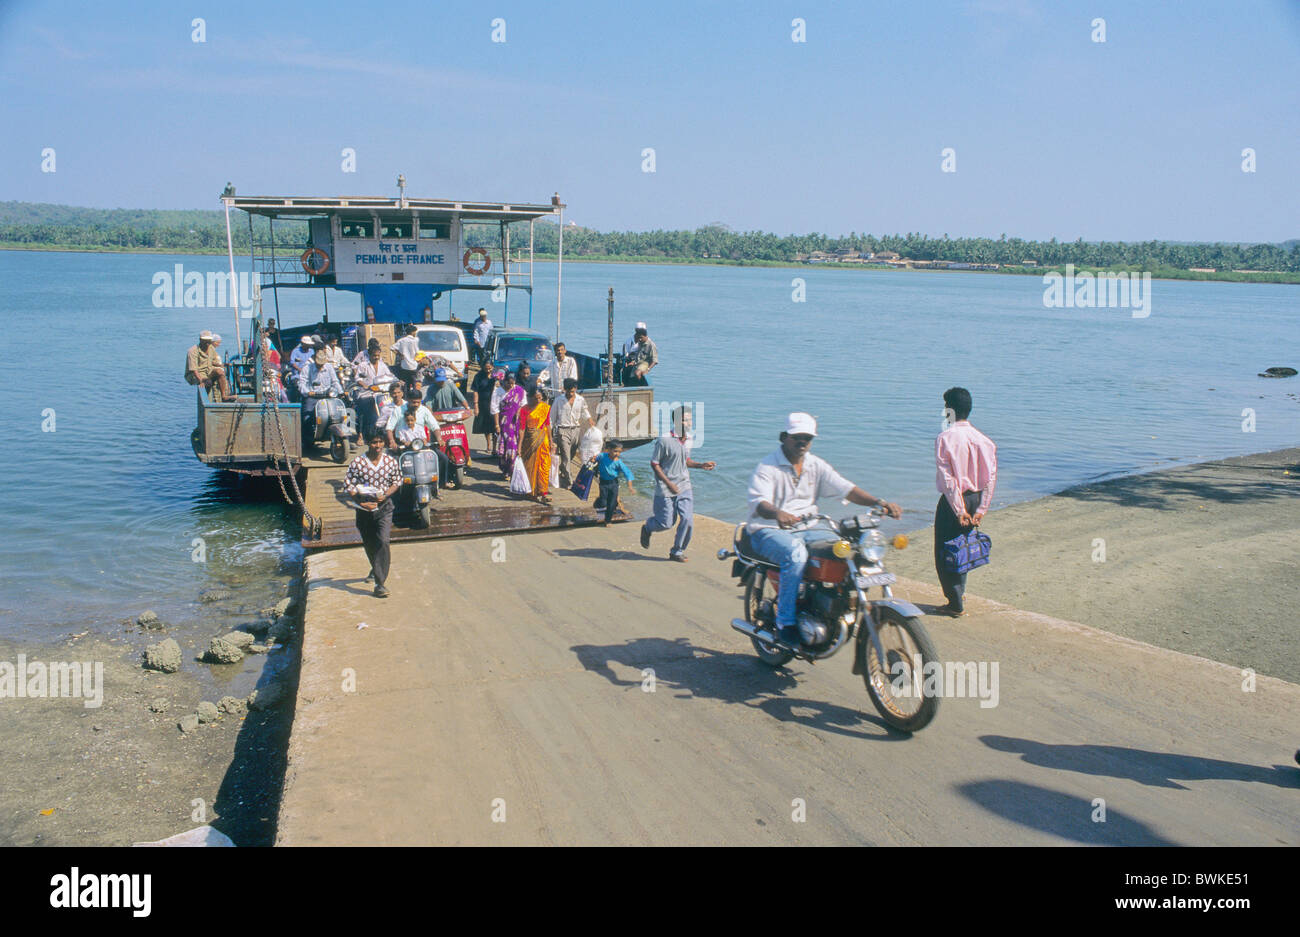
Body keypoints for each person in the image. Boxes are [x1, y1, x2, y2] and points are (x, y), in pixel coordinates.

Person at [746, 412, 901, 646]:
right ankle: (785, 622)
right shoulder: (767, 467)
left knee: (846, 549)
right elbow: (760, 503)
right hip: (768, 528)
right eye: (797, 437)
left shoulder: (815, 465)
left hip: (810, 526)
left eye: (807, 438)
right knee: (795, 555)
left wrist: (878, 502)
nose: (802, 442)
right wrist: (778, 513)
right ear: (783, 437)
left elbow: (846, 489)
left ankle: (831, 607)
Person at [933, 386, 998, 618]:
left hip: (954, 501)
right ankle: (959, 595)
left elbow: (949, 480)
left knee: (945, 550)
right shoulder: (985, 441)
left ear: (949, 411)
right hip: (976, 497)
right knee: (963, 546)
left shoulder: (945, 438)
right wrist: (982, 508)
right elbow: (990, 478)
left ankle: (954, 602)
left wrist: (958, 509)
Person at [640, 406, 715, 562]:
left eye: (690, 419)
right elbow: (654, 464)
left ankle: (677, 551)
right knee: (666, 523)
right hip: (665, 488)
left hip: (684, 485)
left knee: (687, 519)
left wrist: (701, 465)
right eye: (685, 419)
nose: (688, 422)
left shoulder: (689, 439)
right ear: (676, 421)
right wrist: (668, 484)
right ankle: (648, 527)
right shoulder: (664, 440)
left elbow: (685, 461)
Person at [344, 432, 402, 598]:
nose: (378, 446)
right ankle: (376, 567)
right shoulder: (358, 463)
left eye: (380, 442)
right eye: (374, 442)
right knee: (370, 543)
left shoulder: (390, 461)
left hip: (384, 507)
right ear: (368, 443)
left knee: (383, 541)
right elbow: (349, 484)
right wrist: (360, 502)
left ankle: (380, 583)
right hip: (364, 509)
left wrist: (386, 494)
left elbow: (396, 481)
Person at [550, 378, 594, 489]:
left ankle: (563, 468)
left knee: (572, 453)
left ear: (576, 389)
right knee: (565, 455)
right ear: (565, 390)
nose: (570, 394)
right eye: (568, 391)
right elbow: (552, 417)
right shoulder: (558, 400)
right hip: (562, 430)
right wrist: (550, 433)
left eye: (573, 391)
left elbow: (585, 411)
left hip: (576, 429)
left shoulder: (580, 399)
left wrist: (590, 420)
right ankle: (570, 481)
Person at [351, 339, 396, 437]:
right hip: (366, 393)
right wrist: (365, 385)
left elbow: (390, 375)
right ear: (369, 355)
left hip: (380, 392)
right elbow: (357, 378)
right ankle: (361, 434)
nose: (376, 357)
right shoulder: (363, 365)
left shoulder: (382, 364)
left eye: (378, 355)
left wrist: (397, 380)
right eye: (374, 355)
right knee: (365, 407)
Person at [517, 385, 553, 503]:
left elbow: (547, 425)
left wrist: (551, 441)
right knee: (530, 467)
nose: (538, 400)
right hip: (529, 442)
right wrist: (519, 446)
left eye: (540, 398)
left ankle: (543, 492)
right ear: (530, 398)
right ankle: (530, 491)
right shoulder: (524, 410)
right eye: (536, 398)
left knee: (544, 466)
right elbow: (522, 429)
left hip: (543, 441)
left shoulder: (545, 408)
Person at [594, 439, 636, 525]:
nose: (617, 454)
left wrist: (630, 487)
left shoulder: (619, 462)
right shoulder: (602, 456)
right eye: (615, 451)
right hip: (603, 483)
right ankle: (598, 501)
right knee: (603, 502)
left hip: (613, 483)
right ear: (609, 449)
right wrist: (592, 460)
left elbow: (628, 473)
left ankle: (608, 520)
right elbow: (595, 459)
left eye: (619, 452)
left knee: (611, 504)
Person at [494, 370, 527, 476]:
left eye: (512, 383)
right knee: (507, 446)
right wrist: (497, 425)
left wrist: (519, 411)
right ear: (504, 381)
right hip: (504, 424)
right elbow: (494, 409)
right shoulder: (498, 392)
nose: (510, 386)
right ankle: (506, 468)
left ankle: (512, 470)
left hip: (516, 423)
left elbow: (523, 405)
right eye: (508, 383)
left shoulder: (520, 391)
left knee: (514, 446)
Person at [184, 330, 231, 401]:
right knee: (207, 382)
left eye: (209, 341)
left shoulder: (211, 348)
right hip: (195, 374)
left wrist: (221, 365)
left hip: (208, 370)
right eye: (205, 341)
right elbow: (194, 369)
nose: (207, 343)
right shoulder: (193, 351)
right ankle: (208, 402)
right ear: (200, 340)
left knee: (220, 372)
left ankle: (224, 396)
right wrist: (201, 381)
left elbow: (213, 361)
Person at [472, 361, 499, 454]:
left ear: (492, 367)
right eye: (486, 368)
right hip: (483, 404)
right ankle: (488, 445)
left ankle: (495, 447)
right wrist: (476, 405)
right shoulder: (478, 376)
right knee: (486, 427)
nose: (488, 370)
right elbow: (475, 391)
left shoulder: (497, 375)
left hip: (495, 403)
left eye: (489, 368)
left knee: (495, 425)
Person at [391, 324, 421, 392]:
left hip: (404, 366)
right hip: (413, 366)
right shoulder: (415, 340)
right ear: (412, 332)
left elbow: (392, 348)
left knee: (405, 385)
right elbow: (417, 353)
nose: (415, 333)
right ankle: (414, 395)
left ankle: (405, 397)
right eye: (415, 332)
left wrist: (399, 354)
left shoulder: (401, 340)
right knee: (414, 384)